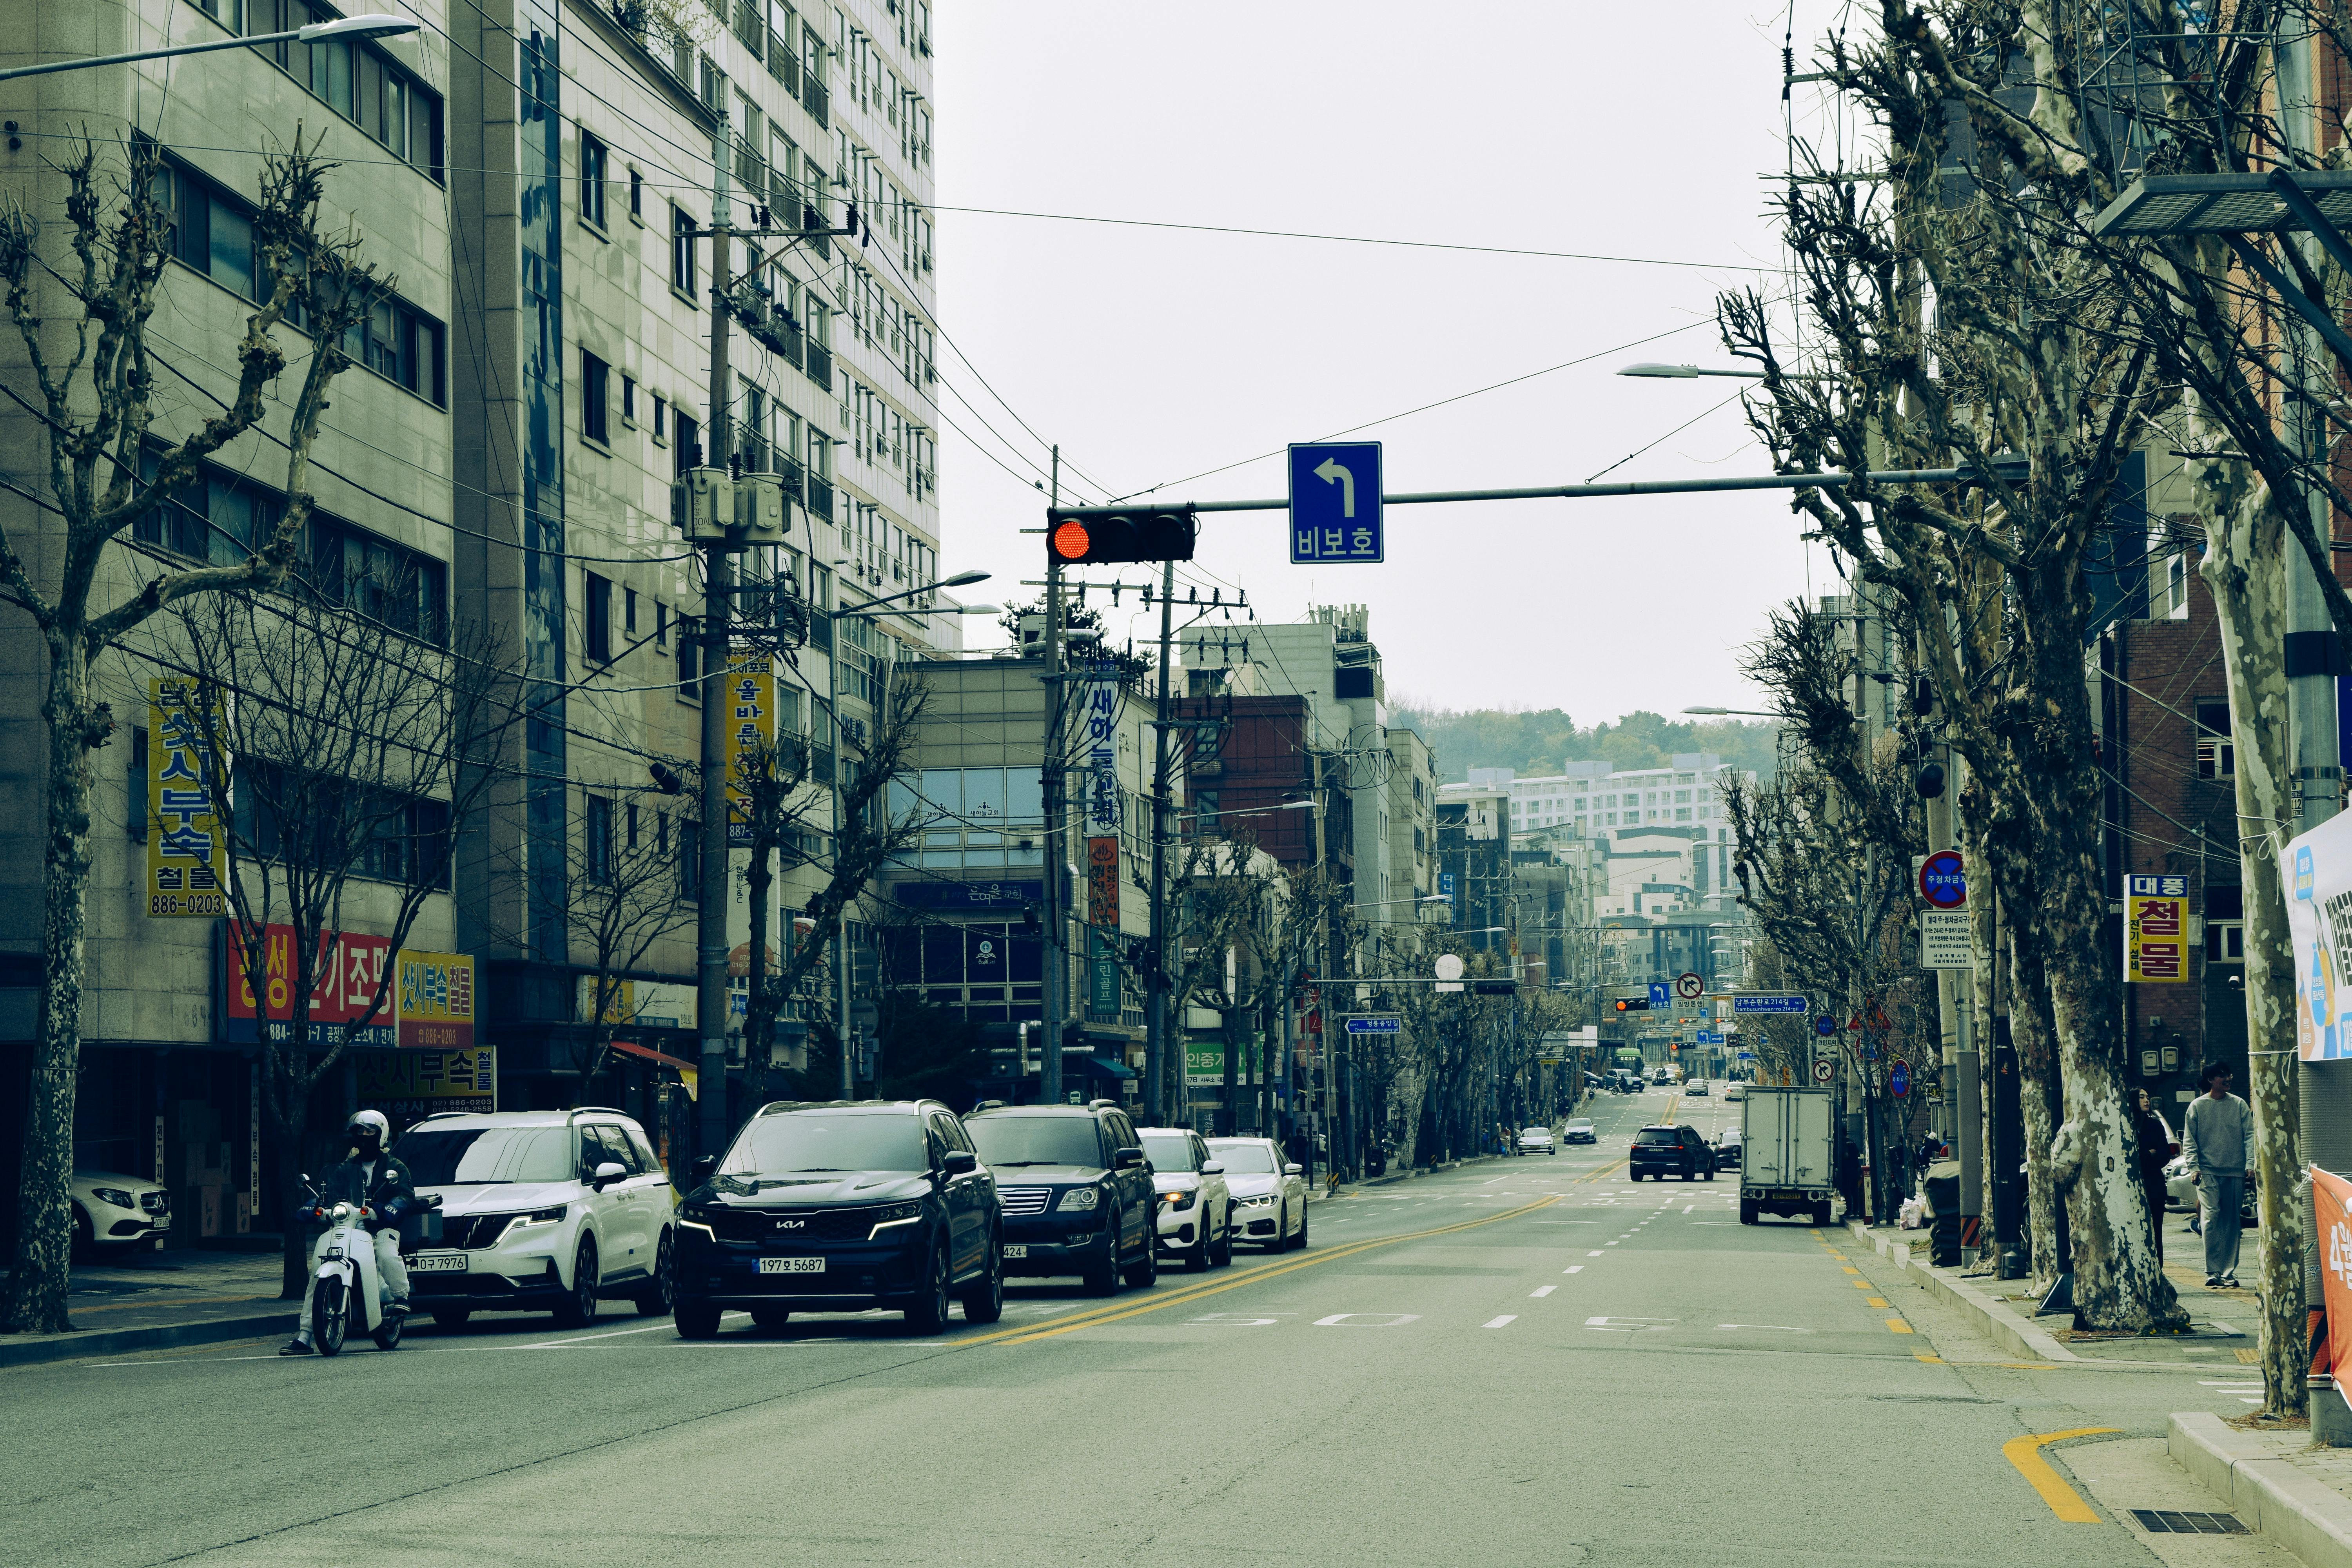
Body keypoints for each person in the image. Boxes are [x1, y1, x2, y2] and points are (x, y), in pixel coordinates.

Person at [281, 1110, 416, 1354]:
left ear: (381, 1135)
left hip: (380, 1227)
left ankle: (401, 1298)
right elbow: (329, 1195)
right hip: (349, 1226)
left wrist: (389, 1208)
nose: (363, 1136)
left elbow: (405, 1196)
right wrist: (315, 1207)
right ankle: (304, 1337)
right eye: (359, 1131)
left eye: (370, 1131)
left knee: (385, 1253)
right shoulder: (345, 1169)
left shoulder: (395, 1167)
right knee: (317, 1275)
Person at [2181, 1063, 2256, 1289]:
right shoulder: (2197, 1106)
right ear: (2211, 1080)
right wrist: (2194, 1167)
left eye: (2229, 1074)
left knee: (2232, 1223)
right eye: (2222, 1076)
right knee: (2211, 1218)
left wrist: (2250, 1164)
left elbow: (2250, 1136)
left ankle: (2228, 1273)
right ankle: (2213, 1271)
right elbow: (2189, 1141)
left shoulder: (2239, 1105)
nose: (2228, 1078)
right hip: (2207, 1173)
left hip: (2235, 1172)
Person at [2132, 1087, 2173, 1264]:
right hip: (2131, 1188)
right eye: (2142, 1097)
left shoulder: (2155, 1125)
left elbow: (2164, 1155)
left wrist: (2146, 1157)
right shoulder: (2125, 1126)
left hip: (2154, 1185)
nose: (2147, 1100)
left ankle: (2159, 1266)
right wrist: (2149, 1154)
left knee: (2156, 1228)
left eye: (2148, 1097)